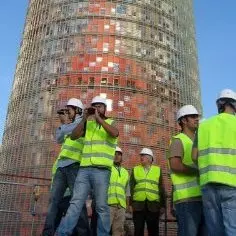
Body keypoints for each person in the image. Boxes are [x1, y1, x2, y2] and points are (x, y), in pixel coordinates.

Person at [58, 96, 119, 236]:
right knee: (75, 204)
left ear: (105, 108)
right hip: (84, 170)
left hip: (102, 171)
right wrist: (85, 118)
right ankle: (63, 233)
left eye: (100, 106)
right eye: (94, 106)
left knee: (102, 207)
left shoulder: (110, 122)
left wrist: (99, 119)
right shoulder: (88, 124)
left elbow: (115, 133)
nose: (97, 108)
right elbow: (73, 136)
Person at [192, 89, 236, 236]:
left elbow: (194, 156)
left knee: (214, 231)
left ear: (219, 105)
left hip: (208, 185)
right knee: (232, 229)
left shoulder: (204, 126)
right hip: (231, 185)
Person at [42, 98, 89, 236]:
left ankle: (83, 233)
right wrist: (65, 125)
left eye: (69, 110)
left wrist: (66, 125)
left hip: (75, 166)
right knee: (53, 203)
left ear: (78, 111)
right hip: (61, 167)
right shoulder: (68, 125)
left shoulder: (84, 124)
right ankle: (47, 233)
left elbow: (72, 129)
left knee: (77, 203)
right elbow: (58, 138)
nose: (67, 113)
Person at [168, 105, 207, 236]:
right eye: (193, 117)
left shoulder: (199, 141)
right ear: (183, 120)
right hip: (186, 200)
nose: (197, 119)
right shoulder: (178, 141)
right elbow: (175, 165)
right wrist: (197, 171)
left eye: (197, 116)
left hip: (203, 198)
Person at [130, 148, 165, 236]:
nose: (141, 157)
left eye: (143, 156)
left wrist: (163, 205)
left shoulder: (157, 170)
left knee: (153, 231)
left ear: (150, 158)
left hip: (153, 206)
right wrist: (130, 204)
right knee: (138, 231)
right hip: (138, 206)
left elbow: (161, 188)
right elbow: (131, 188)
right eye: (141, 156)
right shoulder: (135, 169)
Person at [108, 146, 130, 236]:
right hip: (108, 204)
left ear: (122, 157)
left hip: (121, 206)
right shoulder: (107, 168)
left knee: (118, 231)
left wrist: (127, 205)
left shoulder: (125, 172)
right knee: (104, 229)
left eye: (119, 154)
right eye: (115, 154)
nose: (116, 156)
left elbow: (127, 190)